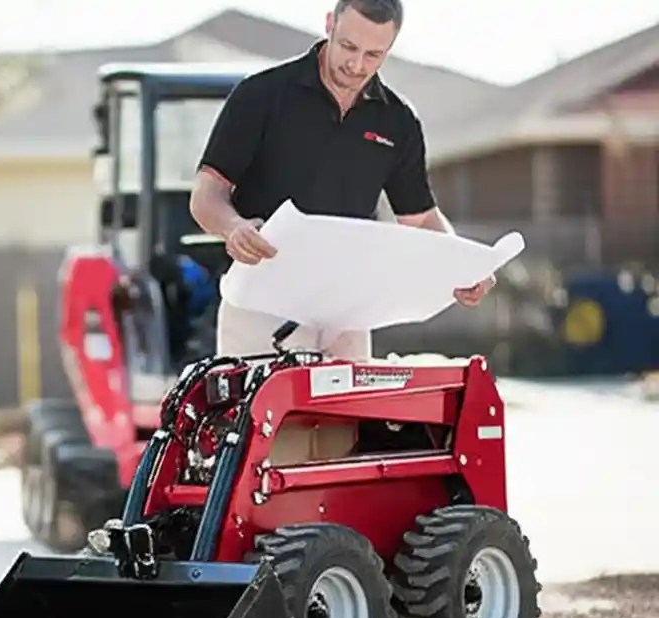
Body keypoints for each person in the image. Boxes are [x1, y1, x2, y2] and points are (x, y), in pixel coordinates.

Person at [189, 0, 495, 360]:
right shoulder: (261, 96)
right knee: (262, 417)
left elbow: (421, 218)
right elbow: (206, 194)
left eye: (373, 55)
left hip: (348, 310)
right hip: (262, 299)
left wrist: (462, 265)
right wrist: (233, 228)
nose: (356, 64)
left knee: (350, 417)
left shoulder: (398, 122)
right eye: (349, 46)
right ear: (330, 24)